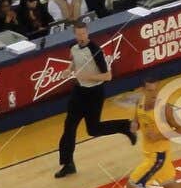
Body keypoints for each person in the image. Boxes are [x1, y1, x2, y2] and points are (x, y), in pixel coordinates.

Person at [55, 20, 134, 178]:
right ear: (74, 34)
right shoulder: (74, 47)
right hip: (79, 92)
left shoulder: (95, 50)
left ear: (87, 33)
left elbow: (108, 76)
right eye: (78, 34)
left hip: (94, 93)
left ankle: (126, 126)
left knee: (93, 129)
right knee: (69, 127)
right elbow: (74, 61)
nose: (81, 37)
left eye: (83, 33)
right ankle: (68, 163)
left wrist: (87, 76)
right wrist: (68, 70)